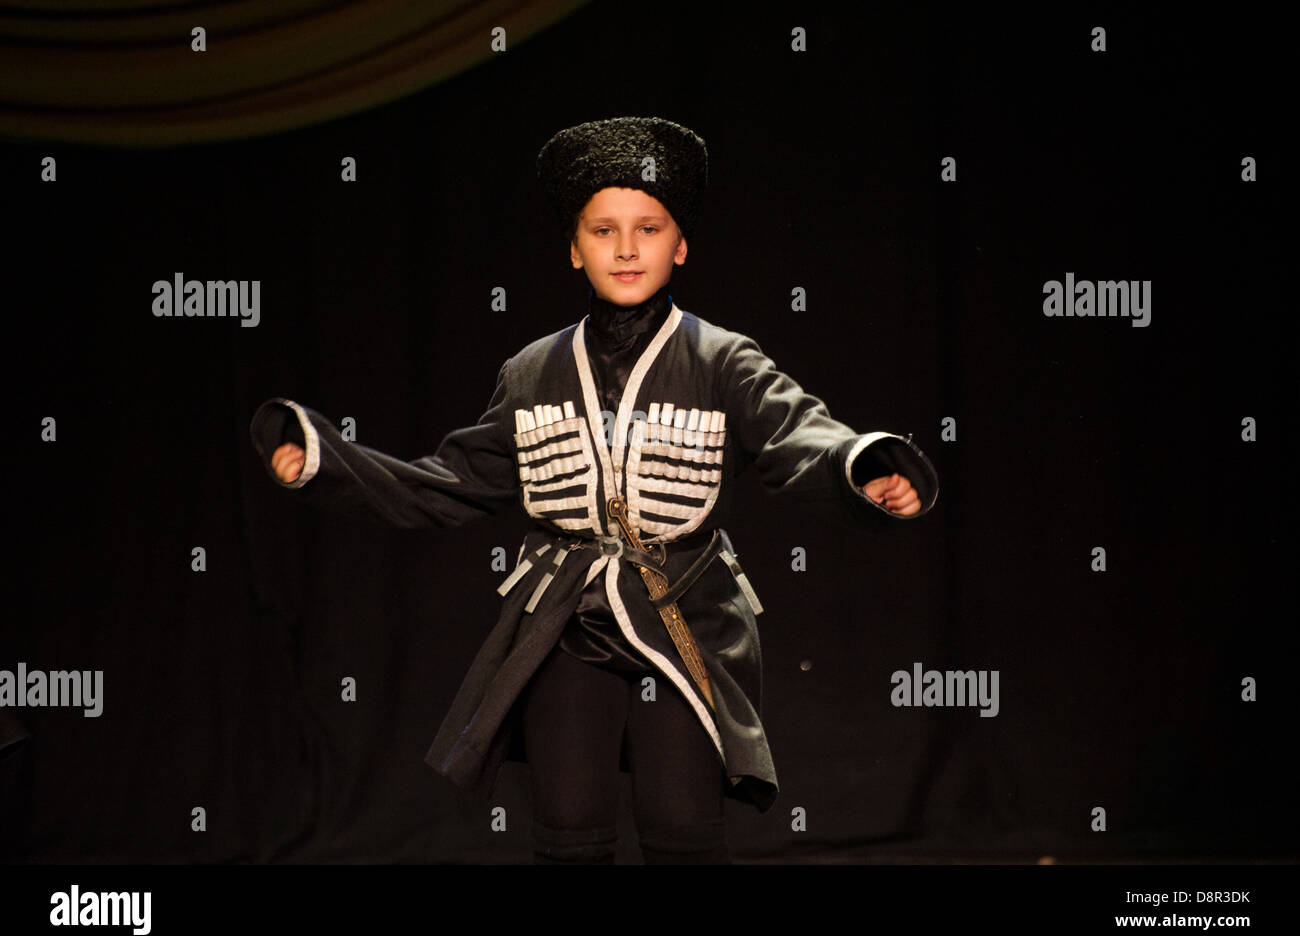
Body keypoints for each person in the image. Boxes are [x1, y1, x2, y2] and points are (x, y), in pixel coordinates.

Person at [250, 117, 939, 863]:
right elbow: (451, 482)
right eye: (602, 229)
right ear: (573, 248)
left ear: (680, 245)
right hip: (564, 621)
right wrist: (328, 461)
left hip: (683, 616)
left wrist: (863, 468)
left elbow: (797, 432)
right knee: (570, 823)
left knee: (681, 822)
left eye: (648, 227)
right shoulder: (530, 371)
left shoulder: (722, 359)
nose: (626, 247)